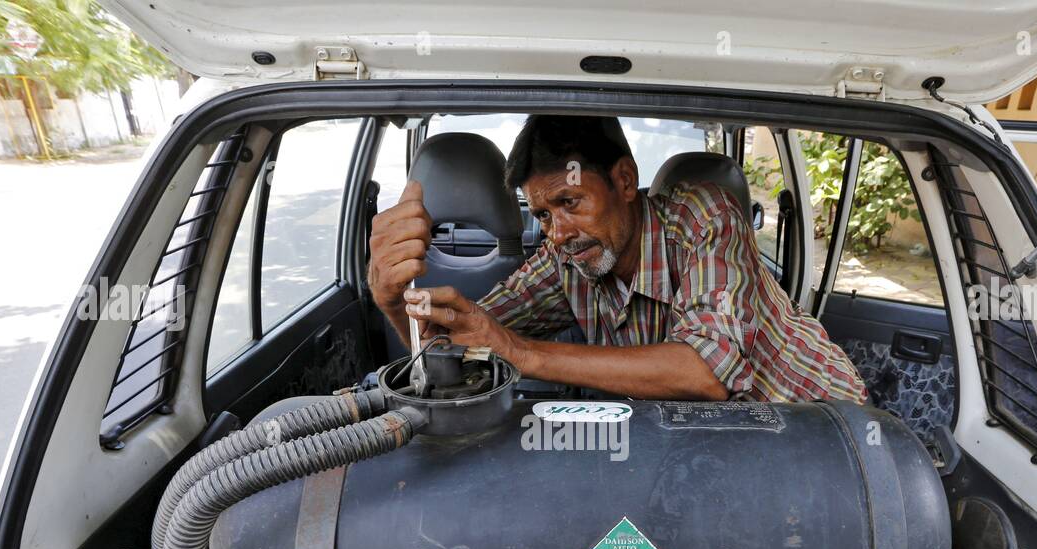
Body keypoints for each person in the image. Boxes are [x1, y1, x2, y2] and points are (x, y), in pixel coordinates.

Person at [366, 114, 866, 403]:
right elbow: (461, 344)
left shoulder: (702, 215)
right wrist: (392, 298)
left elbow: (708, 373)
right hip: (714, 439)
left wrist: (519, 351)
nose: (557, 233)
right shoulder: (566, 256)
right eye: (542, 213)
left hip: (818, 419)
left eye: (570, 202)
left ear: (625, 181)